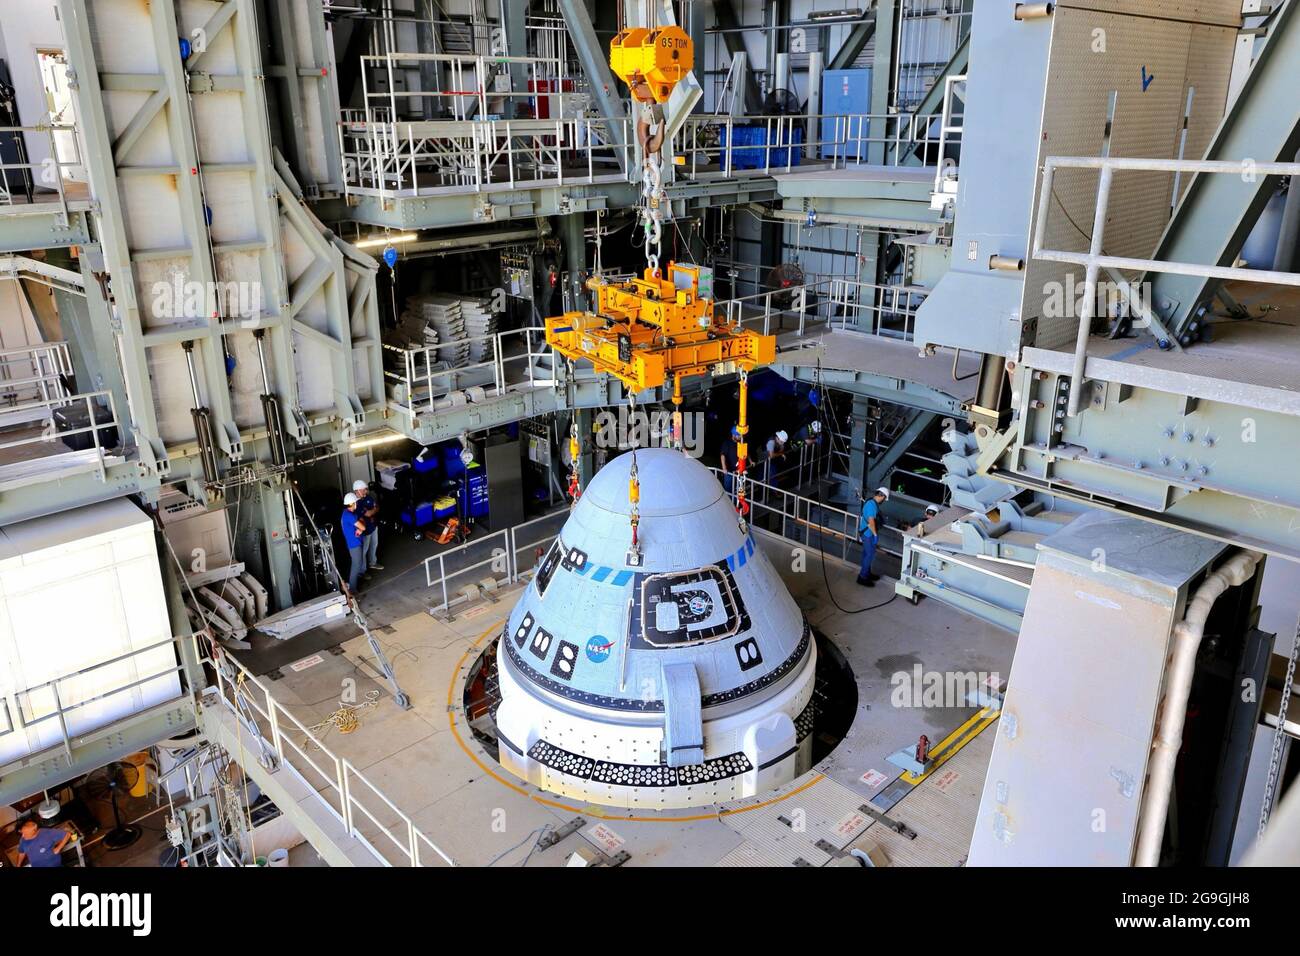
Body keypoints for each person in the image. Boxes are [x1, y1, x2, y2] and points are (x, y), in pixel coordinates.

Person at [857, 486, 889, 587]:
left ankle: (867, 573)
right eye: (884, 498)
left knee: (867, 553)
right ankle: (862, 577)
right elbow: (871, 522)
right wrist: (875, 535)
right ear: (882, 496)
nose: (884, 500)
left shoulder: (871, 501)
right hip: (868, 534)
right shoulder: (872, 505)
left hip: (866, 532)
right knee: (869, 554)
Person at [353, 479, 383, 573]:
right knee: (364, 551)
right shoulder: (355, 502)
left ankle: (373, 563)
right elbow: (368, 514)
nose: (366, 491)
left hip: (373, 526)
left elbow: (377, 507)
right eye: (363, 489)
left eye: (365, 489)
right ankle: (362, 571)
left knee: (374, 545)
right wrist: (372, 511)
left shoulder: (368, 497)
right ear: (357, 490)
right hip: (364, 530)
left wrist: (372, 511)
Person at [341, 492, 367, 594]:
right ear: (352, 503)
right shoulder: (349, 515)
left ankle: (351, 586)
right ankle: (352, 589)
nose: (357, 504)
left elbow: (361, 520)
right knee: (356, 565)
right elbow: (363, 526)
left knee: (356, 564)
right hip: (354, 544)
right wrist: (361, 528)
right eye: (355, 502)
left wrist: (360, 529)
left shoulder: (348, 513)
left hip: (354, 542)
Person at [719, 426, 741, 494]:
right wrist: (724, 468)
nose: (740, 437)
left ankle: (735, 503)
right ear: (733, 435)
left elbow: (745, 453)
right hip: (729, 472)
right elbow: (722, 455)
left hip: (738, 471)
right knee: (728, 491)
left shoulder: (740, 443)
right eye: (738, 435)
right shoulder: (727, 443)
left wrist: (751, 461)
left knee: (738, 490)